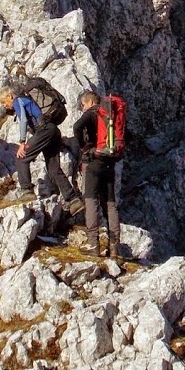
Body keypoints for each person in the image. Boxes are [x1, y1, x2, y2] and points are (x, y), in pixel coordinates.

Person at [0, 86, 84, 214]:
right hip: (53, 131)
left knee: (21, 157)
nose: (5, 105)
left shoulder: (18, 101)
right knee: (53, 169)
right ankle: (74, 200)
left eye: (4, 101)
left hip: (43, 131)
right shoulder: (26, 100)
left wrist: (22, 142)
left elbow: (24, 120)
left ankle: (27, 190)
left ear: (10, 96)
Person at [73, 90, 121, 257]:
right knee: (110, 203)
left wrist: (84, 146)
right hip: (110, 161)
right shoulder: (112, 115)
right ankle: (114, 247)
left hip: (94, 161)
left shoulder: (91, 114)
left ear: (90, 102)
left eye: (83, 105)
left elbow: (76, 127)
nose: (83, 108)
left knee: (91, 199)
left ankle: (93, 243)